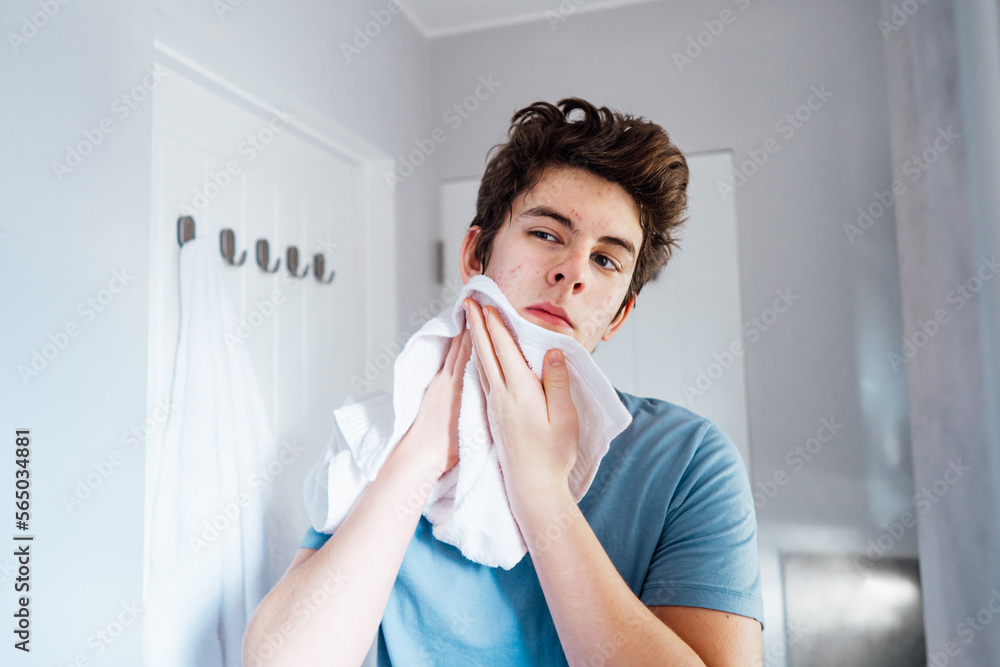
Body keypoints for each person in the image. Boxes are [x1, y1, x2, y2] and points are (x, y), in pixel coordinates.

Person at [243, 98, 764, 666]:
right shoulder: (389, 429)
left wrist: (540, 488)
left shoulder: (689, 461)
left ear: (619, 315)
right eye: (546, 234)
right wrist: (421, 452)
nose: (573, 271)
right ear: (475, 254)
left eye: (608, 261)